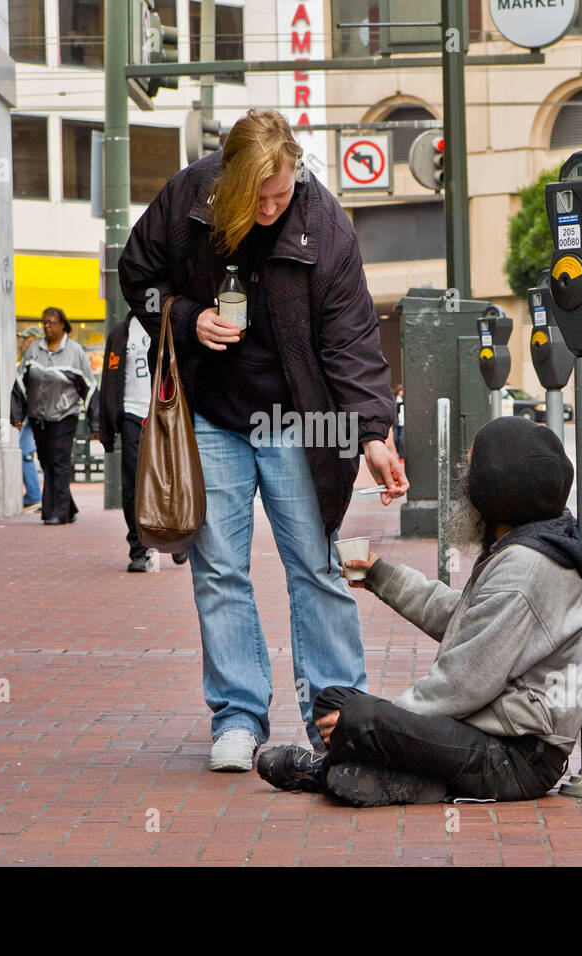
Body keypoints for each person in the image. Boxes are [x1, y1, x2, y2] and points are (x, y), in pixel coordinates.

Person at [118, 108, 406, 771]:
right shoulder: (189, 199)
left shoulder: (325, 226)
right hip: (215, 414)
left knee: (317, 568)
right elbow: (139, 278)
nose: (274, 205)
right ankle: (238, 717)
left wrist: (371, 433)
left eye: (283, 191)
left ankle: (337, 719)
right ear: (232, 187)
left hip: (300, 423)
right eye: (261, 197)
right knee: (220, 570)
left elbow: (352, 341)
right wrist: (188, 320)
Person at [256, 416, 582, 807]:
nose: (464, 486)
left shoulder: (526, 568)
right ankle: (404, 779)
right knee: (333, 700)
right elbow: (460, 618)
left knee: (361, 716)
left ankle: (322, 769)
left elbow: (463, 683)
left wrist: (369, 727)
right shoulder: (521, 547)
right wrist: (380, 576)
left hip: (516, 758)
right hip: (488, 738)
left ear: (495, 491)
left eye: (472, 474)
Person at [98, 314, 187, 571]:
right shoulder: (121, 332)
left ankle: (178, 538)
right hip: (132, 415)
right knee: (134, 486)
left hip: (168, 414)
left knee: (172, 481)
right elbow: (110, 375)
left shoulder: (167, 323)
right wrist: (107, 419)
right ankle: (139, 548)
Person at [9, 307, 95, 526]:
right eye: (44, 322)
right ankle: (69, 506)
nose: (47, 326)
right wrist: (17, 414)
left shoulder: (75, 351)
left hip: (65, 415)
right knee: (47, 461)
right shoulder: (34, 350)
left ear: (62, 325)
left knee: (59, 461)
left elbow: (90, 388)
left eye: (51, 322)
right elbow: (20, 382)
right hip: (39, 416)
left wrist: (96, 423)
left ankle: (56, 512)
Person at [16, 326, 43, 510]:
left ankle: (35, 495)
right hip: (35, 413)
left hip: (41, 413)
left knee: (25, 451)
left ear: (34, 340)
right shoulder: (30, 358)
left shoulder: (36, 357)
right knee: (30, 452)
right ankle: (38, 495)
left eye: (26, 339)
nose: (22, 343)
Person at [393, 385, 405, 461]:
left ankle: (401, 456)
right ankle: (398, 452)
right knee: (396, 439)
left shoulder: (405, 400)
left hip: (403, 423)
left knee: (401, 440)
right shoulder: (394, 400)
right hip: (396, 424)